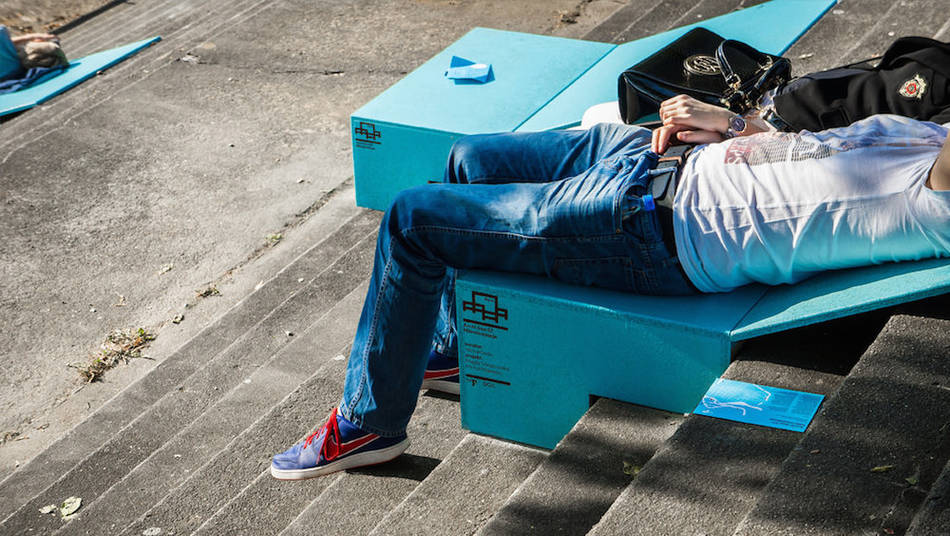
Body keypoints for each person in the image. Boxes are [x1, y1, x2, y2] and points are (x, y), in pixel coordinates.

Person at [269, 109, 950, 481]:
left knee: (413, 221)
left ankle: (369, 422)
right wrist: (730, 123)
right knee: (468, 159)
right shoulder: (930, 132)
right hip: (652, 156)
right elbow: (812, 152)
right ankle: (446, 353)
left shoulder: (940, 197)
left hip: (648, 229)